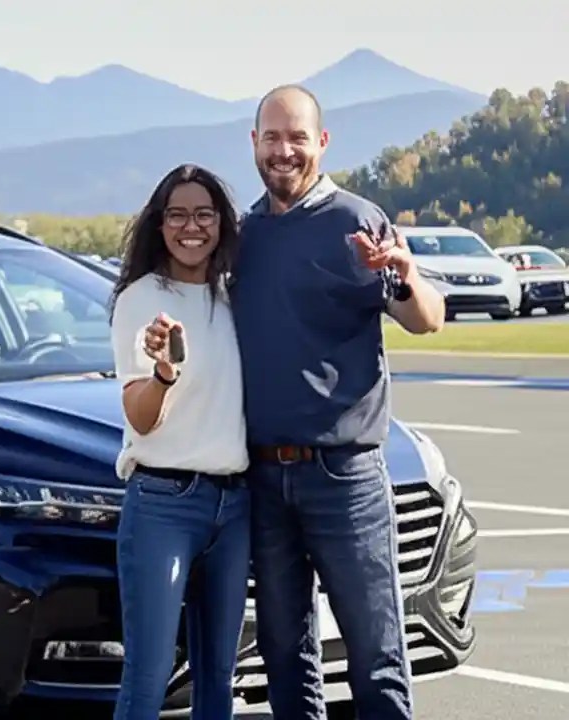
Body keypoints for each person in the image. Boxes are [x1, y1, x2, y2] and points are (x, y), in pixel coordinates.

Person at [230, 84, 446, 720]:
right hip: (263, 473)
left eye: (298, 137)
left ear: (321, 143)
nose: (284, 150)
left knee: (374, 652)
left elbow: (425, 319)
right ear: (254, 144)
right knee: (284, 656)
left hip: (343, 475)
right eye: (272, 137)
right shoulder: (244, 236)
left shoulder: (356, 221)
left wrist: (406, 275)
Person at [108, 163, 249, 720]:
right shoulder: (141, 301)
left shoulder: (233, 296)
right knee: (149, 676)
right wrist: (164, 373)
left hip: (236, 505)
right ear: (159, 224)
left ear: (222, 222)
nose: (192, 227)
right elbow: (140, 419)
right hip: (164, 505)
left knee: (218, 676)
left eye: (204, 214)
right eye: (178, 215)